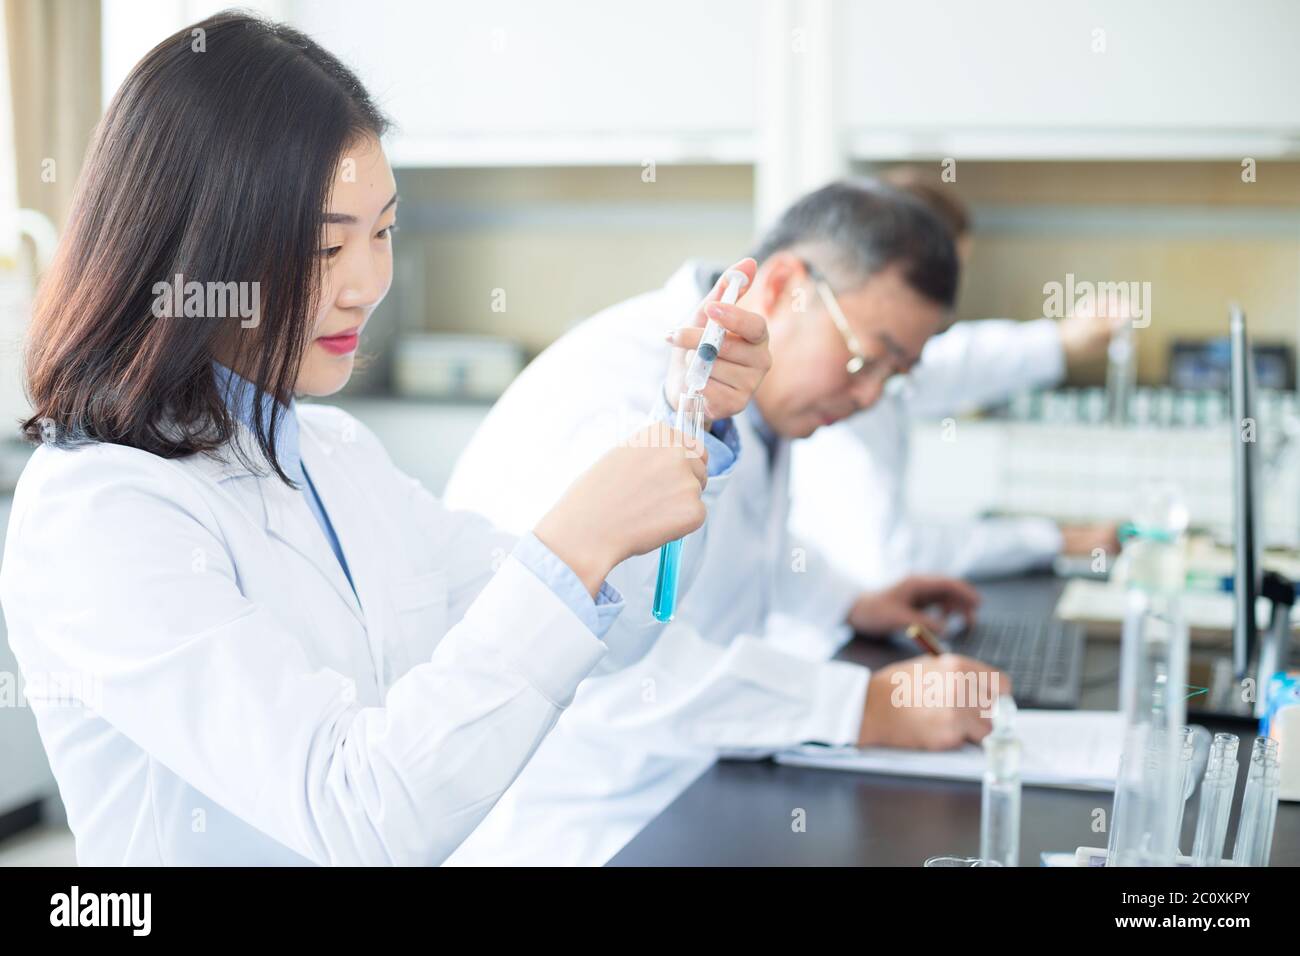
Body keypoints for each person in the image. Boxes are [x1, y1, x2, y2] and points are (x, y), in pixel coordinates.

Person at [0, 13, 772, 866]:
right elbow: (358, 817)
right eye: (327, 244)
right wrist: (578, 536)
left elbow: (608, 632)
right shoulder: (102, 510)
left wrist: (693, 416)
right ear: (199, 250)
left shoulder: (333, 455)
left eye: (384, 232)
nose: (368, 283)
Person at [442, 180, 1008, 866]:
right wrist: (859, 707)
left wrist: (848, 600)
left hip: (675, 785)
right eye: (866, 359)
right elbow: (607, 665)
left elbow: (730, 548)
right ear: (783, 288)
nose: (866, 397)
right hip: (585, 826)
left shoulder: (747, 388)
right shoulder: (624, 402)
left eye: (894, 377)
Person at [788, 168, 1119, 587]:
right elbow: (887, 559)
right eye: (944, 273)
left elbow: (954, 363)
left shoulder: (878, 371)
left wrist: (1062, 340)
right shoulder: (838, 393)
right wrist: (1048, 540)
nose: (946, 298)